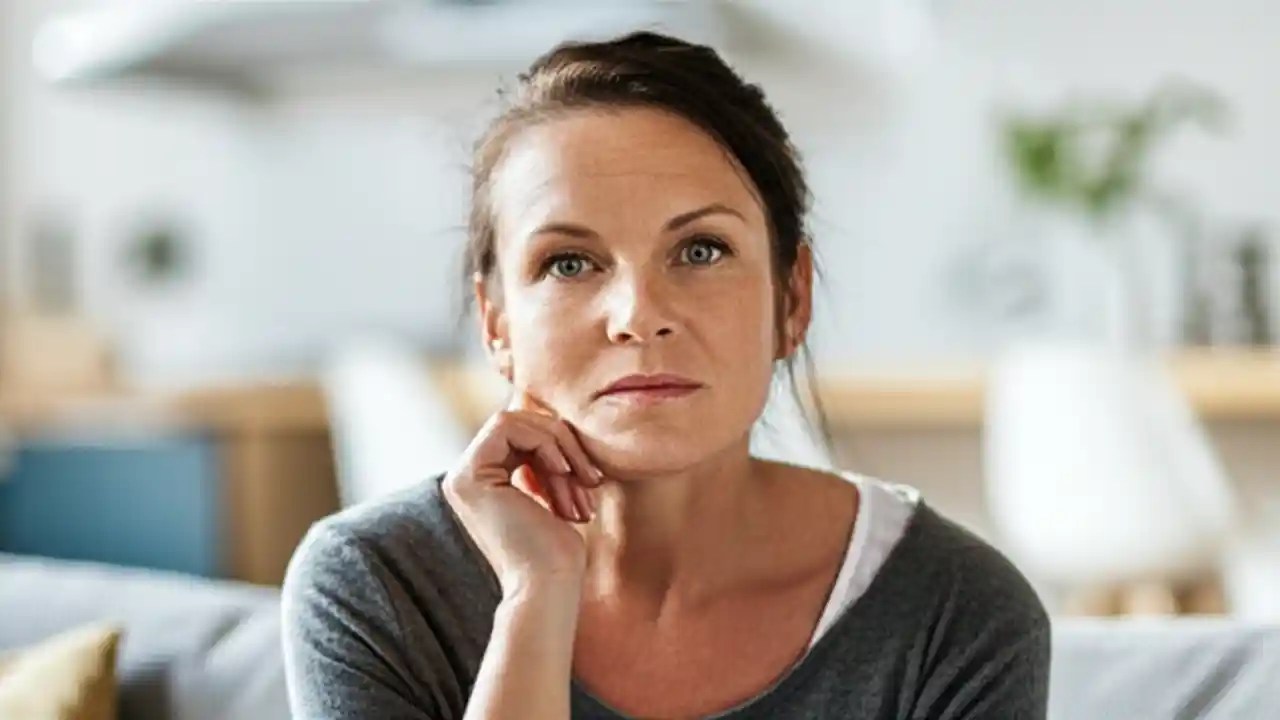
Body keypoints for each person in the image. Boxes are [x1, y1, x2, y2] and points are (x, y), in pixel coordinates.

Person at [282, 31, 1049, 720]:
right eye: (569, 263)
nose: (638, 316)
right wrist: (535, 598)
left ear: (792, 300)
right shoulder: (373, 586)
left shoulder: (954, 610)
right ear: (497, 325)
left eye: (701, 251)